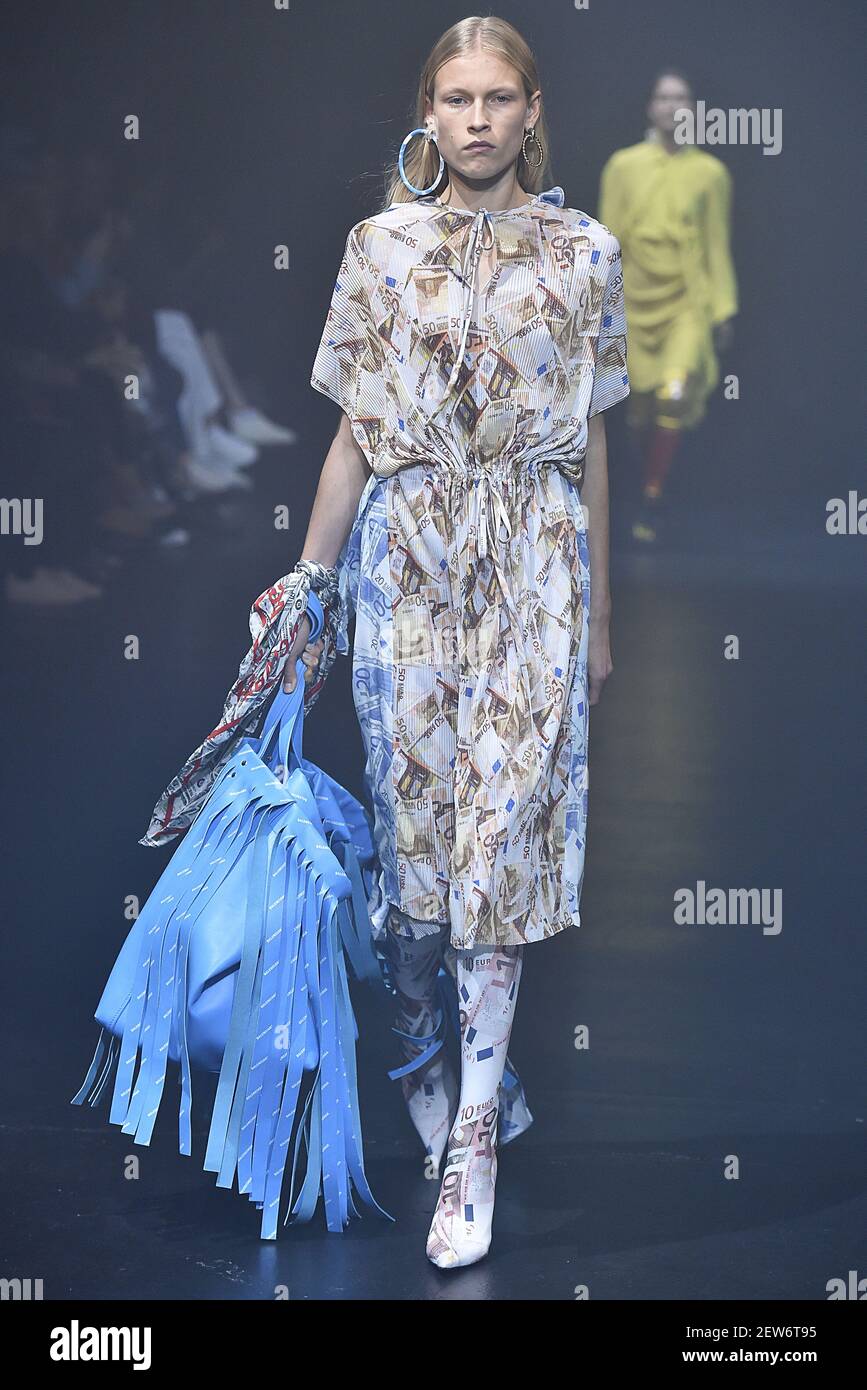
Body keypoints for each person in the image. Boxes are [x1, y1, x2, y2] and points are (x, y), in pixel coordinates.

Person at [281, 14, 628, 1268]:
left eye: (499, 97)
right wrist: (305, 586)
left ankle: (471, 1131)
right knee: (415, 876)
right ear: (429, 112)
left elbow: (590, 440)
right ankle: (419, 1048)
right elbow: (354, 437)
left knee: (500, 849)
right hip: (408, 563)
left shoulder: (589, 252)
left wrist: (596, 612)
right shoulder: (378, 251)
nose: (477, 118)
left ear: (534, 110)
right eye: (456, 96)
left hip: (533, 560)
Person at [598, 69, 738, 543]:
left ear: (693, 110)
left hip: (687, 303)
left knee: (674, 393)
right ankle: (643, 485)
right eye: (664, 97)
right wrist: (598, 304)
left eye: (682, 98)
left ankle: (655, 497)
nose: (673, 106)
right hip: (633, 302)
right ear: (651, 107)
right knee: (637, 405)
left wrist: (723, 308)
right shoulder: (623, 166)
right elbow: (607, 238)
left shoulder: (711, 173)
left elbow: (717, 243)